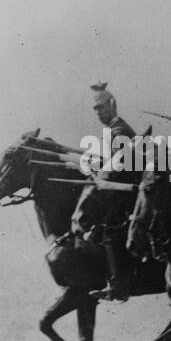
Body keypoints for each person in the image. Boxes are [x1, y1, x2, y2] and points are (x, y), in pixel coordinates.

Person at [73, 83, 138, 302]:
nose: (99, 113)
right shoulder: (111, 130)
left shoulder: (119, 130)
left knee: (110, 227)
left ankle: (119, 283)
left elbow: (121, 166)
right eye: (96, 109)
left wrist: (100, 175)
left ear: (112, 105)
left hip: (126, 190)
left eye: (101, 108)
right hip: (117, 185)